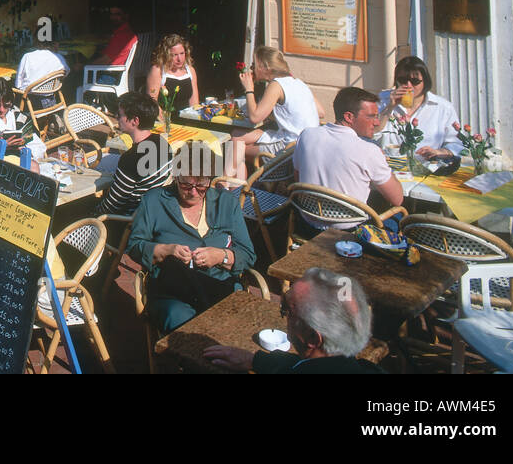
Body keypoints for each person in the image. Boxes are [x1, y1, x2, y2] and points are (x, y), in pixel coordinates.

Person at [127, 141, 256, 333]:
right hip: (173, 289)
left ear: (210, 179)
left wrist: (221, 256)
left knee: (230, 317)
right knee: (180, 320)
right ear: (176, 176)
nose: (194, 192)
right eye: (186, 184)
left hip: (219, 284)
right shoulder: (154, 200)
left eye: (201, 185)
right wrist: (165, 251)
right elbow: (135, 246)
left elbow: (248, 254)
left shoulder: (226, 203)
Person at [203, 268, 382, 373]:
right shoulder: (365, 368)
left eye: (286, 310)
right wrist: (255, 360)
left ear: (312, 338)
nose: (283, 317)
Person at [293, 87, 403, 229]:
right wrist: (382, 162)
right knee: (399, 215)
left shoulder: (307, 135)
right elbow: (397, 199)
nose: (376, 123)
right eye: (371, 116)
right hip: (350, 234)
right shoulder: (369, 151)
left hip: (307, 223)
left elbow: (298, 176)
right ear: (349, 117)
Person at [234, 46, 324, 177]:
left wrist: (249, 88)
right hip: (306, 143)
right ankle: (232, 184)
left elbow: (254, 118)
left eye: (254, 65)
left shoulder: (276, 85)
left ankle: (234, 189)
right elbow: (321, 112)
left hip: (290, 148)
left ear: (265, 67)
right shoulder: (299, 83)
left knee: (238, 150)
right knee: (236, 136)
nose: (252, 69)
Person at [93, 91, 174, 217]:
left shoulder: (130, 159)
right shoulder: (162, 142)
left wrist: (93, 212)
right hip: (157, 211)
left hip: (129, 221)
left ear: (135, 121)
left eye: (120, 115)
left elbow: (113, 205)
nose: (116, 117)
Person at [378, 56, 462, 162]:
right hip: (388, 167)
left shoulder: (443, 108)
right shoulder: (383, 101)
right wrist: (390, 107)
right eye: (402, 80)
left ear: (425, 81)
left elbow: (456, 144)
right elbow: (371, 134)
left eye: (415, 81)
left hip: (427, 167)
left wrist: (439, 152)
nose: (408, 86)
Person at [14, 18, 68, 110]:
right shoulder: (59, 58)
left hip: (29, 102)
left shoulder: (27, 56)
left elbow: (18, 83)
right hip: (51, 100)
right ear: (54, 42)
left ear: (36, 40)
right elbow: (65, 73)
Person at [146, 34, 201, 118]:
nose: (179, 59)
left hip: (186, 118)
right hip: (165, 119)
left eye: (182, 53)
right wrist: (165, 121)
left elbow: (194, 102)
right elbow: (152, 101)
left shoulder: (190, 70)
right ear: (166, 55)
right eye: (174, 55)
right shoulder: (158, 71)